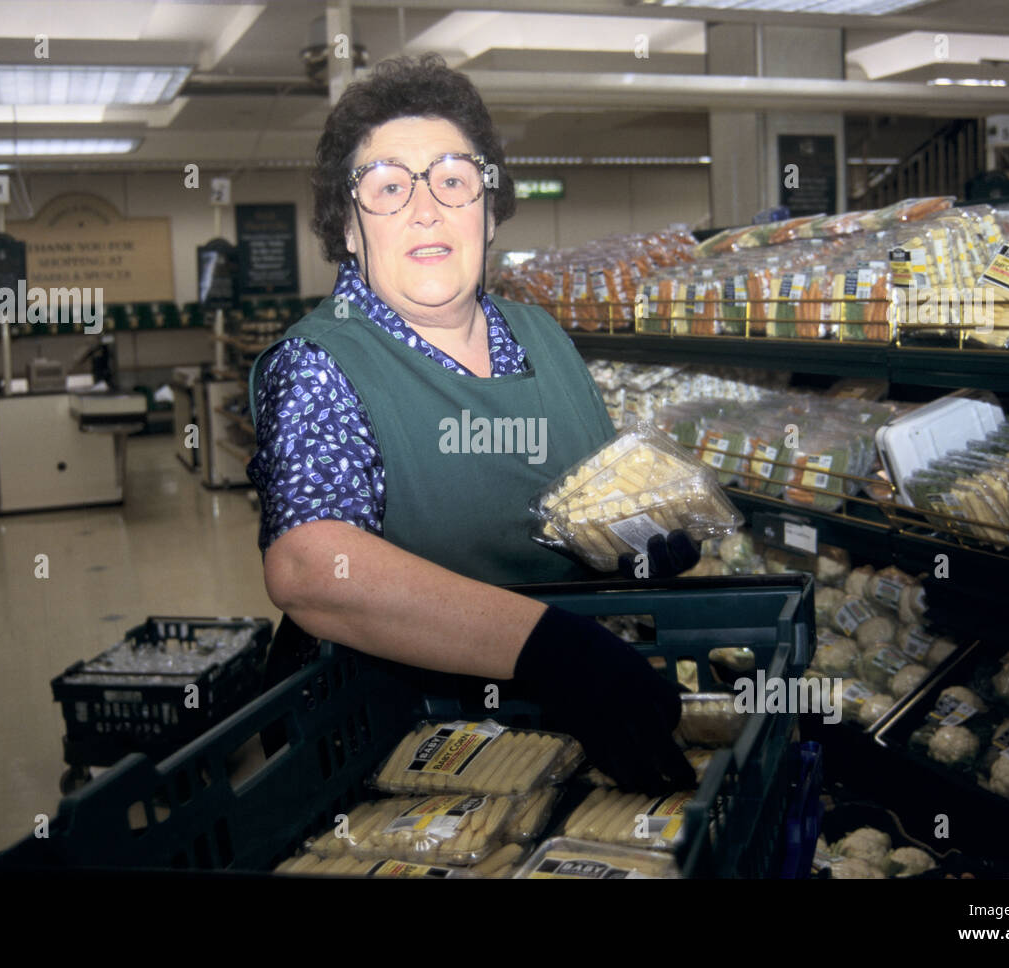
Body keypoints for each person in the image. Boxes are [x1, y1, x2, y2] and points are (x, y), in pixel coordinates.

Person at [247, 53, 697, 792]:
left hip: (564, 733)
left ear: (487, 210)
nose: (425, 210)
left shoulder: (542, 335)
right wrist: (554, 650)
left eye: (453, 181)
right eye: (388, 188)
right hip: (400, 746)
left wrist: (630, 544)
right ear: (349, 229)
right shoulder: (322, 363)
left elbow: (580, 500)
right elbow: (309, 567)